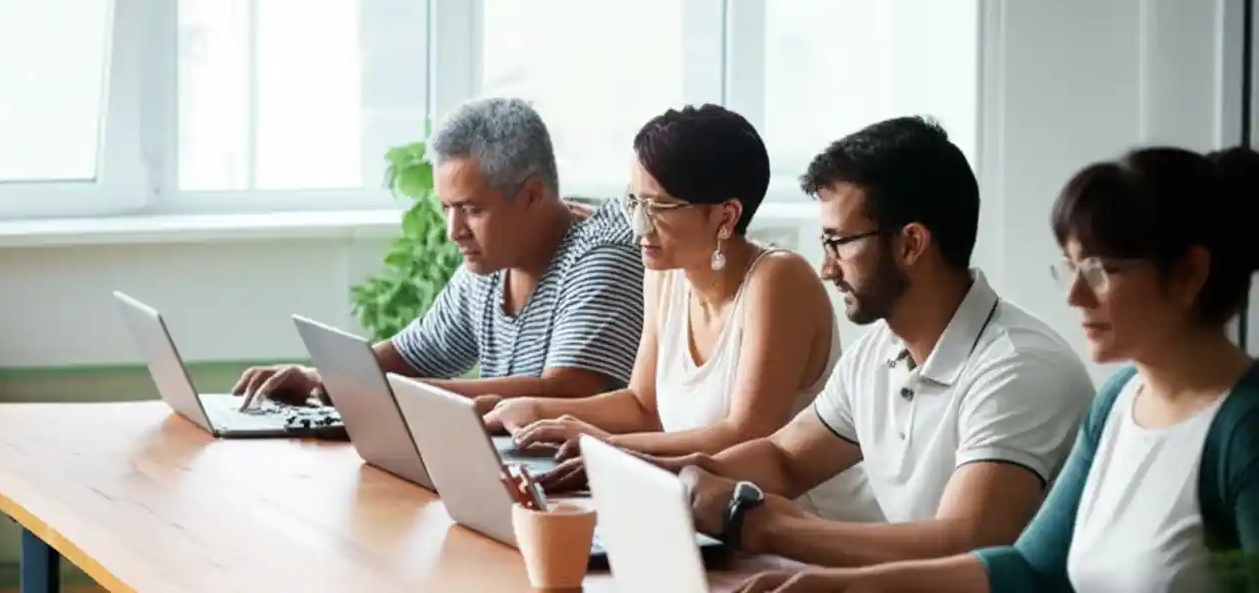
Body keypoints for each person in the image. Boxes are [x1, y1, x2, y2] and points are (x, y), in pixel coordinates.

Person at [737, 145, 1259, 593]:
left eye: (1101, 271)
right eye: (1072, 268)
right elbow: (1031, 566)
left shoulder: (1244, 429)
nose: (1075, 295)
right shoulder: (1123, 397)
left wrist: (784, 532)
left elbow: (977, 539)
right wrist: (849, 585)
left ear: (1189, 273)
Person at [653, 117, 1094, 568]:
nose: (826, 268)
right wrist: (671, 474)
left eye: (837, 243)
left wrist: (772, 528)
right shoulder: (878, 352)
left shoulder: (1019, 370)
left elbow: (964, 543)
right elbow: (785, 458)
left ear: (911, 244)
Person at [482, 105, 875, 520]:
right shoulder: (667, 273)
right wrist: (534, 410)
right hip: (707, 512)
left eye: (660, 207)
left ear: (726, 215)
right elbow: (643, 406)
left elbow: (746, 432)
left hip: (806, 524)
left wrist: (604, 446)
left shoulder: (778, 279)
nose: (638, 225)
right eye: (634, 200)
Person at [231, 98, 645, 412]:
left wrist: (365, 391)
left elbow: (567, 393)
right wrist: (320, 378)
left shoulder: (602, 255)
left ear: (533, 195)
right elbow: (410, 356)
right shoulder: (492, 262)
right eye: (447, 208)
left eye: (472, 209)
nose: (453, 231)